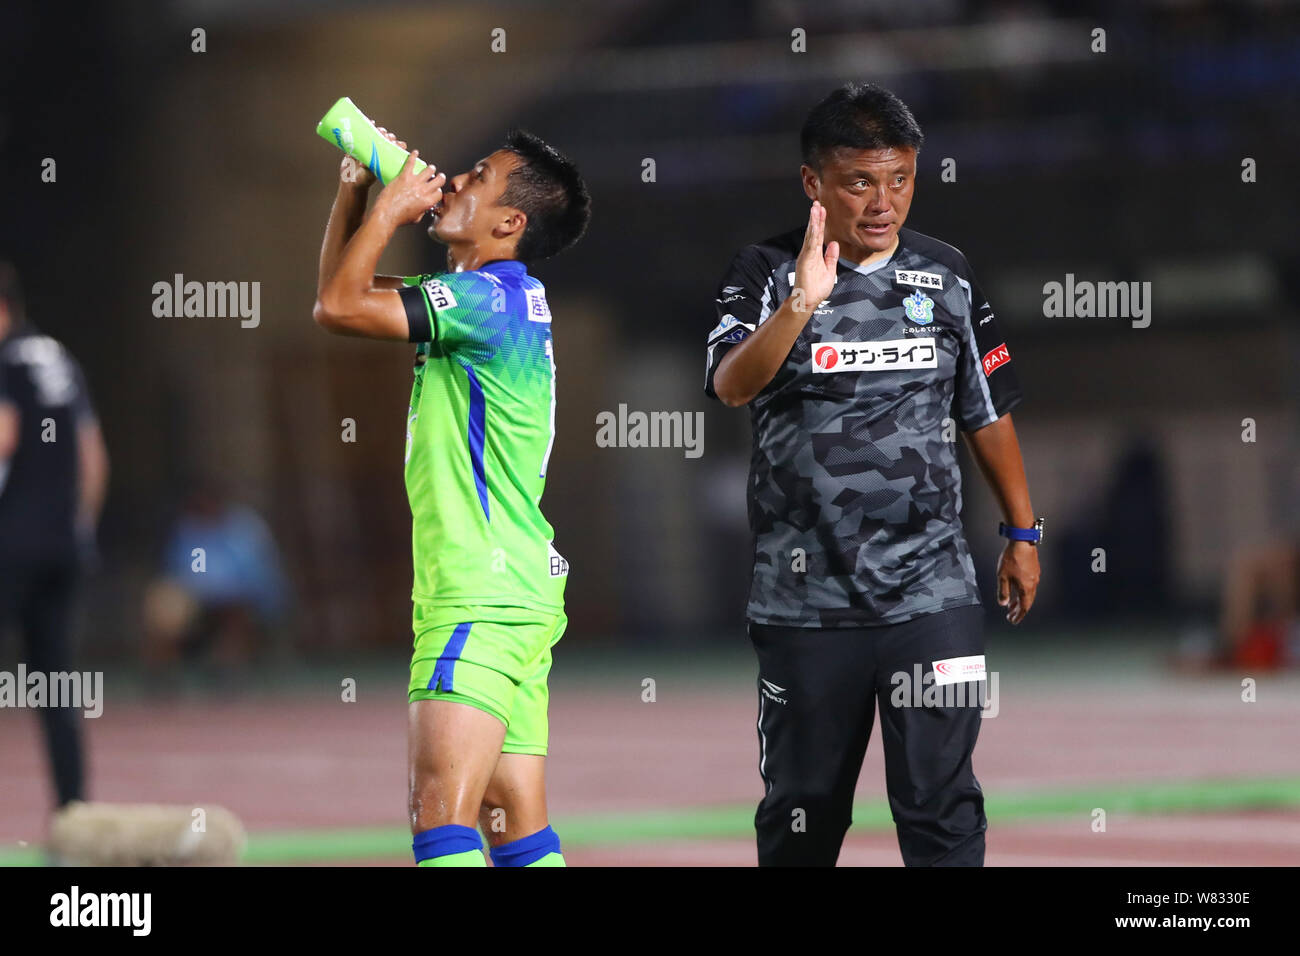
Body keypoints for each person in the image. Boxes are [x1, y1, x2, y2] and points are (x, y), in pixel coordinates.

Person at [705, 84, 1041, 866]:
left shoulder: (947, 276)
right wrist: (798, 302)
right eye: (859, 182)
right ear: (813, 183)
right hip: (804, 606)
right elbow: (730, 384)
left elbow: (986, 411)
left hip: (933, 597)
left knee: (941, 803)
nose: (883, 201)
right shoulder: (761, 270)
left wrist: (1024, 530)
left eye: (900, 179)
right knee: (804, 814)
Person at [314, 127, 589, 866]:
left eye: (478, 177)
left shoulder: (479, 300)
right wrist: (356, 192)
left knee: (441, 821)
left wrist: (389, 209)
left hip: (478, 591)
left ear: (510, 223)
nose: (454, 183)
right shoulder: (496, 298)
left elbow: (338, 310)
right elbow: (342, 293)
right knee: (513, 822)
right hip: (520, 591)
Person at [0, 261, 110, 810]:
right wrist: (80, 526)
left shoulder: (3, 361)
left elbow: (3, 437)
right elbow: (92, 453)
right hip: (64, 545)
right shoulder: (57, 357)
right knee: (56, 685)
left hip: (11, 545)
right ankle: (73, 814)